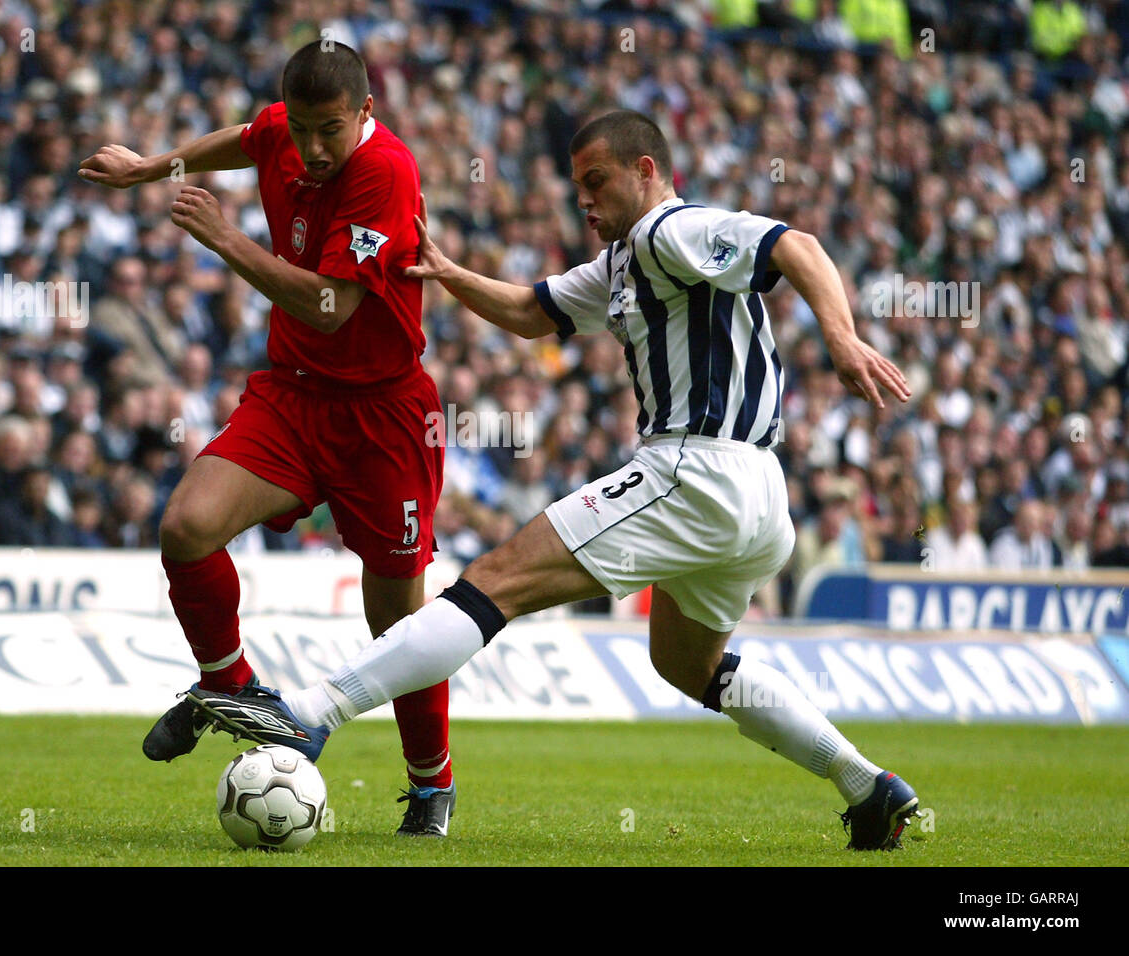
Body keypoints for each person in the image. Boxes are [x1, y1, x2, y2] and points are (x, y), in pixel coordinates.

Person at [189, 110, 922, 850]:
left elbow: (796, 245)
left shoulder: (674, 230)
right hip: (758, 497)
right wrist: (449, 273)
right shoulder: (621, 266)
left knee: (495, 580)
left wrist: (840, 332)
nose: (585, 200)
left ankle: (310, 713)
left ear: (646, 172)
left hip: (696, 469)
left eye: (597, 181)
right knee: (683, 662)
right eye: (577, 186)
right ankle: (868, 787)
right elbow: (530, 313)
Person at [78, 42, 457, 837]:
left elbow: (331, 307)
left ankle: (431, 786)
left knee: (398, 622)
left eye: (332, 131)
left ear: (365, 114)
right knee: (186, 527)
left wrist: (227, 239)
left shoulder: (384, 171)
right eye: (305, 130)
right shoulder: (287, 128)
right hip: (291, 396)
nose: (314, 149)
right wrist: (153, 167)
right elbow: (247, 136)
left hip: (383, 414)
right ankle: (233, 687)